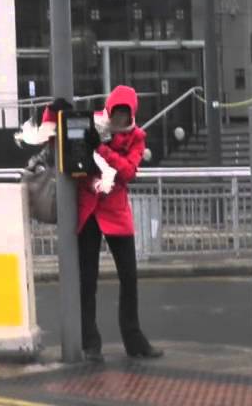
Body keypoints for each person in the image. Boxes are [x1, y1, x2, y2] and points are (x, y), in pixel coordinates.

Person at [75, 85, 162, 362]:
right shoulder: (92, 125)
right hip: (89, 209)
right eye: (117, 113)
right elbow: (74, 158)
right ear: (110, 110)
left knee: (129, 278)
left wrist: (100, 149)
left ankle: (134, 340)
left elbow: (127, 172)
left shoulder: (137, 138)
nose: (120, 121)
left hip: (115, 211)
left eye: (125, 115)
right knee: (87, 280)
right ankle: (89, 341)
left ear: (132, 114)